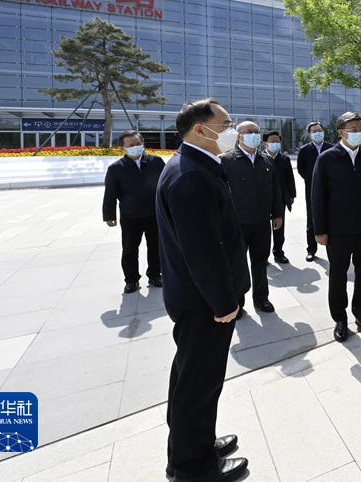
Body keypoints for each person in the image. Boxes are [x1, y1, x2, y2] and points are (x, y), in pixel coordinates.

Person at [156, 98, 249, 481]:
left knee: (194, 378)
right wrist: (224, 301)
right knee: (198, 383)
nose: (232, 130)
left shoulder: (192, 165)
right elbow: (203, 249)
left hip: (197, 298)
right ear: (200, 130)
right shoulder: (190, 174)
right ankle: (191, 468)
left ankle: (195, 443)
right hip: (205, 303)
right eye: (225, 124)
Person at [312, 112, 361, 342]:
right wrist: (320, 230)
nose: (358, 133)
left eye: (360, 128)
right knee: (338, 274)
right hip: (337, 230)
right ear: (341, 132)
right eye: (353, 129)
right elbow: (317, 197)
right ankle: (340, 318)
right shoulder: (327, 158)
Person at [221, 121, 284, 314]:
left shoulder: (267, 161)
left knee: (260, 263)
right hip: (237, 223)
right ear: (239, 136)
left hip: (262, 222)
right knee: (237, 265)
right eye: (249, 132)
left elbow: (275, 190)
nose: (254, 135)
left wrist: (278, 213)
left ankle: (261, 299)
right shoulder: (226, 160)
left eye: (256, 131)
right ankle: (237, 303)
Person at [102, 130, 166, 294]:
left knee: (156, 247)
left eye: (138, 144)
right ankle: (131, 280)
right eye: (131, 145)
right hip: (131, 217)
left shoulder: (156, 162)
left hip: (154, 215)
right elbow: (110, 193)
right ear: (122, 148)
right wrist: (109, 215)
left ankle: (155, 275)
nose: (135, 147)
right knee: (129, 250)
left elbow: (166, 187)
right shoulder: (116, 169)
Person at [297, 122, 332, 262]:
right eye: (314, 131)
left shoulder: (331, 148)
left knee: (331, 217)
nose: (317, 133)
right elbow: (301, 169)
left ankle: (332, 247)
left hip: (330, 188)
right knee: (312, 219)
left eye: (319, 130)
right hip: (311, 189)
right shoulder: (304, 150)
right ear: (309, 134)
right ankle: (311, 249)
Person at [263, 130, 296, 265]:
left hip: (280, 199)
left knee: (279, 227)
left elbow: (290, 178)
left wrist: (292, 195)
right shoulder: (260, 158)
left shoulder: (284, 159)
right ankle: (263, 256)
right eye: (272, 141)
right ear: (265, 144)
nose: (275, 143)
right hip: (264, 199)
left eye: (277, 141)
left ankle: (278, 253)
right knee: (264, 230)